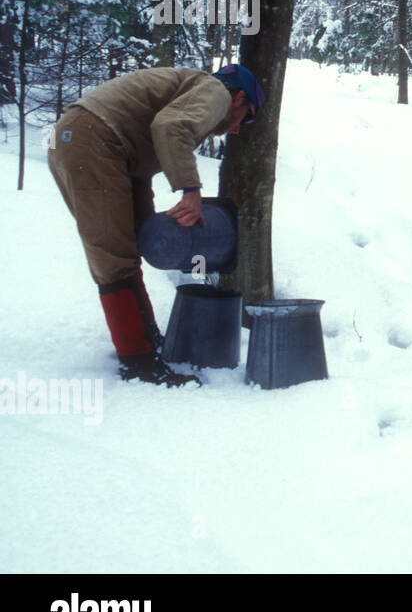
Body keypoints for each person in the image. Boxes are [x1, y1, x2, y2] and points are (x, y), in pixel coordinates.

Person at [48, 63, 266, 386]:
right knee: (113, 255)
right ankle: (138, 361)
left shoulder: (197, 88)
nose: (236, 129)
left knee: (132, 242)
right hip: (92, 140)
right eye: (245, 116)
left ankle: (145, 338)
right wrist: (191, 190)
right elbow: (170, 126)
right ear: (239, 98)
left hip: (102, 143)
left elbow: (148, 131)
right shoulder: (216, 92)